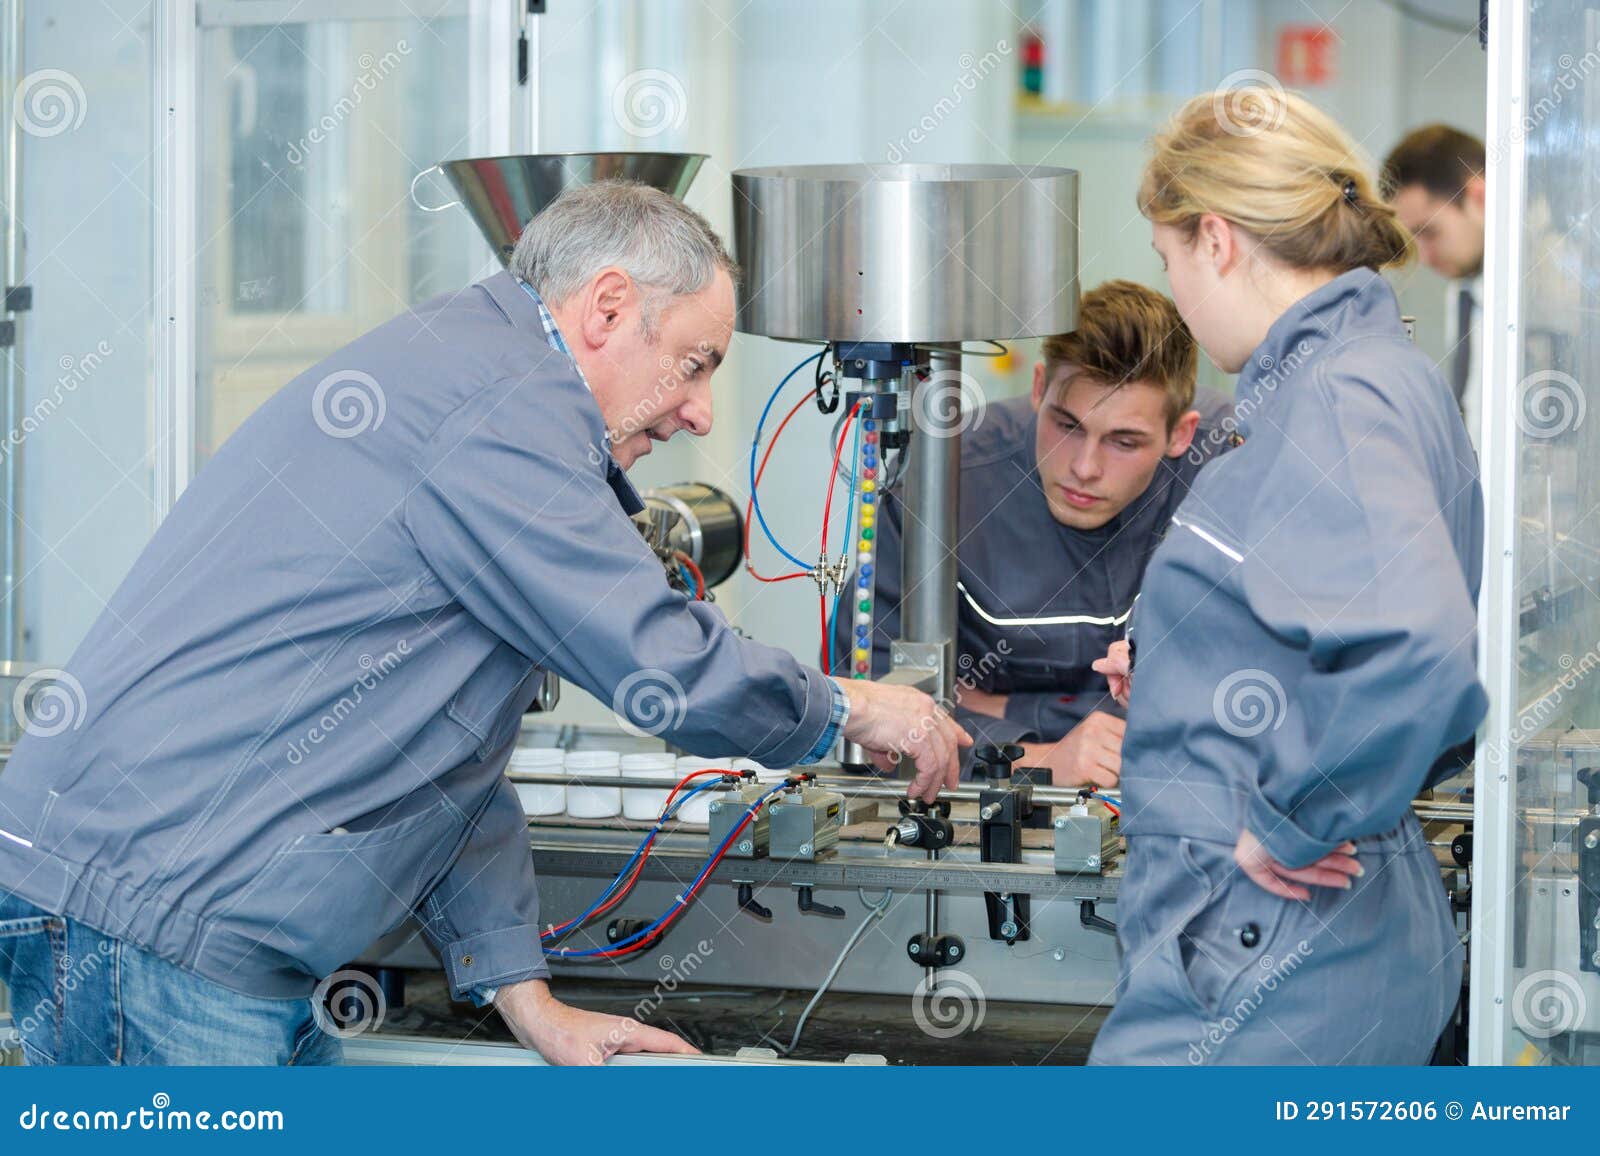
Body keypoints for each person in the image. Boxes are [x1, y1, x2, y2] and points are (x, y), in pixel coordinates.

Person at [0, 181, 969, 1066]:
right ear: (607, 308)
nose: (701, 412)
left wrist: (526, 999)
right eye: (693, 364)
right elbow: (663, 666)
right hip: (145, 923)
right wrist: (848, 707)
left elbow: (444, 751)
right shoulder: (498, 402)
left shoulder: (484, 380)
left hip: (202, 936)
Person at [1088, 88, 1486, 1064]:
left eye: (1169, 259)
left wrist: (1294, 818)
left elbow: (1422, 650)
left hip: (1264, 939)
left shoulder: (1335, 397)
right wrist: (1193, 674)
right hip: (1331, 924)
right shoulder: (1381, 375)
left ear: (1216, 239)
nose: (1178, 295)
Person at [832, 280, 1237, 787]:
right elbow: (870, 702)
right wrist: (1034, 759)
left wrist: (1011, 708)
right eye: (1068, 426)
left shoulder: (1231, 471)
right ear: (1040, 387)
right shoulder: (946, 480)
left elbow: (1267, 689)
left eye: (1124, 442)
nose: (1084, 468)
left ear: (1180, 433)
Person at [1381, 125, 1485, 444]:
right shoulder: (1464, 290)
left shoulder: (1552, 293)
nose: (1423, 257)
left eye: (1429, 232)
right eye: (1413, 239)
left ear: (1479, 198)